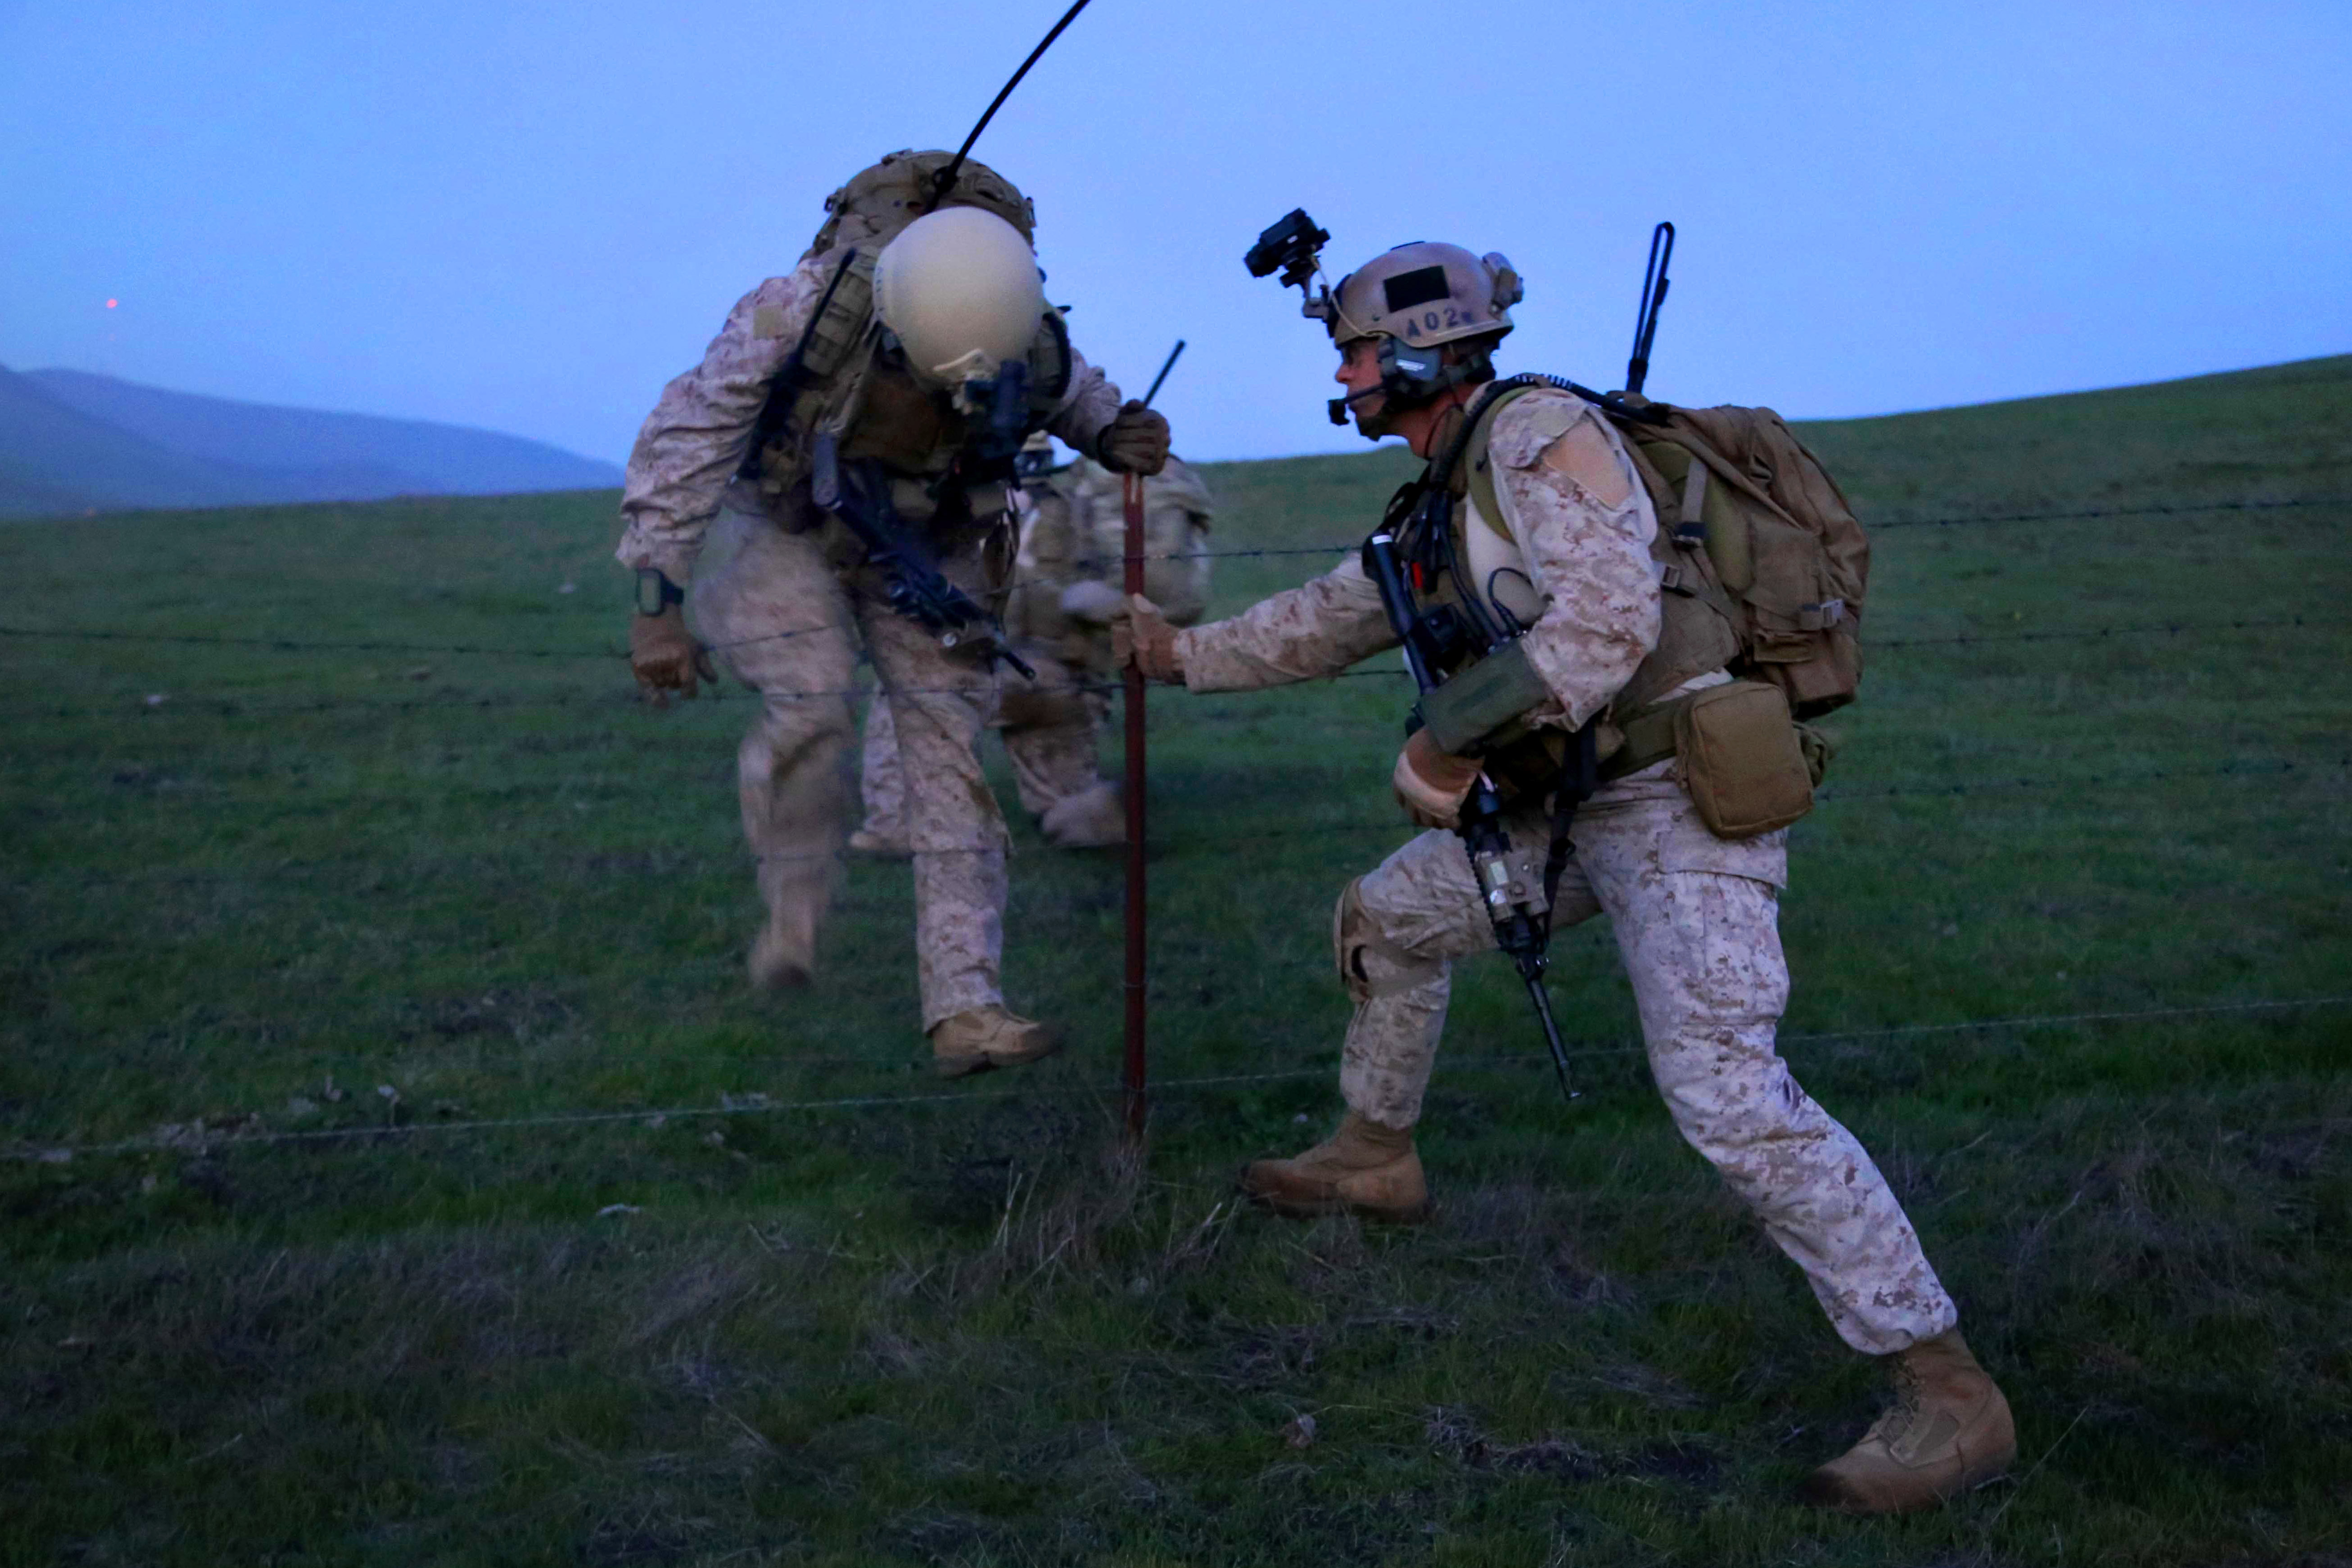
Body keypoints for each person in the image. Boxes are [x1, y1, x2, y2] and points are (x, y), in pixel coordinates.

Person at [1114, 239, 2013, 1512]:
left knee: (1728, 1094)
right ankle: (1377, 1153)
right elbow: (1337, 613)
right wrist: (1175, 655)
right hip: (1568, 803)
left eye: (1359, 350)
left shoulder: (1535, 431)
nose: (1344, 372)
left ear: (1427, 346)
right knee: (1387, 918)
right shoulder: (1439, 493)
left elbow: (1603, 621)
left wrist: (1441, 741)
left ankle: (1950, 1393)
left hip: (1675, 796)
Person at [616, 149, 1169, 1077]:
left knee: (950, 759)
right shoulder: (795, 311)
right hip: (785, 527)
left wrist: (1115, 431)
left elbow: (1073, 389)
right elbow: (688, 437)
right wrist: (655, 603)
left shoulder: (1020, 329)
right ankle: (791, 918)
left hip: (930, 543)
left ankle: (966, 1008)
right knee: (813, 701)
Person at [852, 442, 1216, 852]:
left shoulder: (969, 511)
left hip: (992, 675)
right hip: (1071, 685)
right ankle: (1094, 815)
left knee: (901, 685)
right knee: (1065, 811)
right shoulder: (1076, 503)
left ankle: (895, 827)